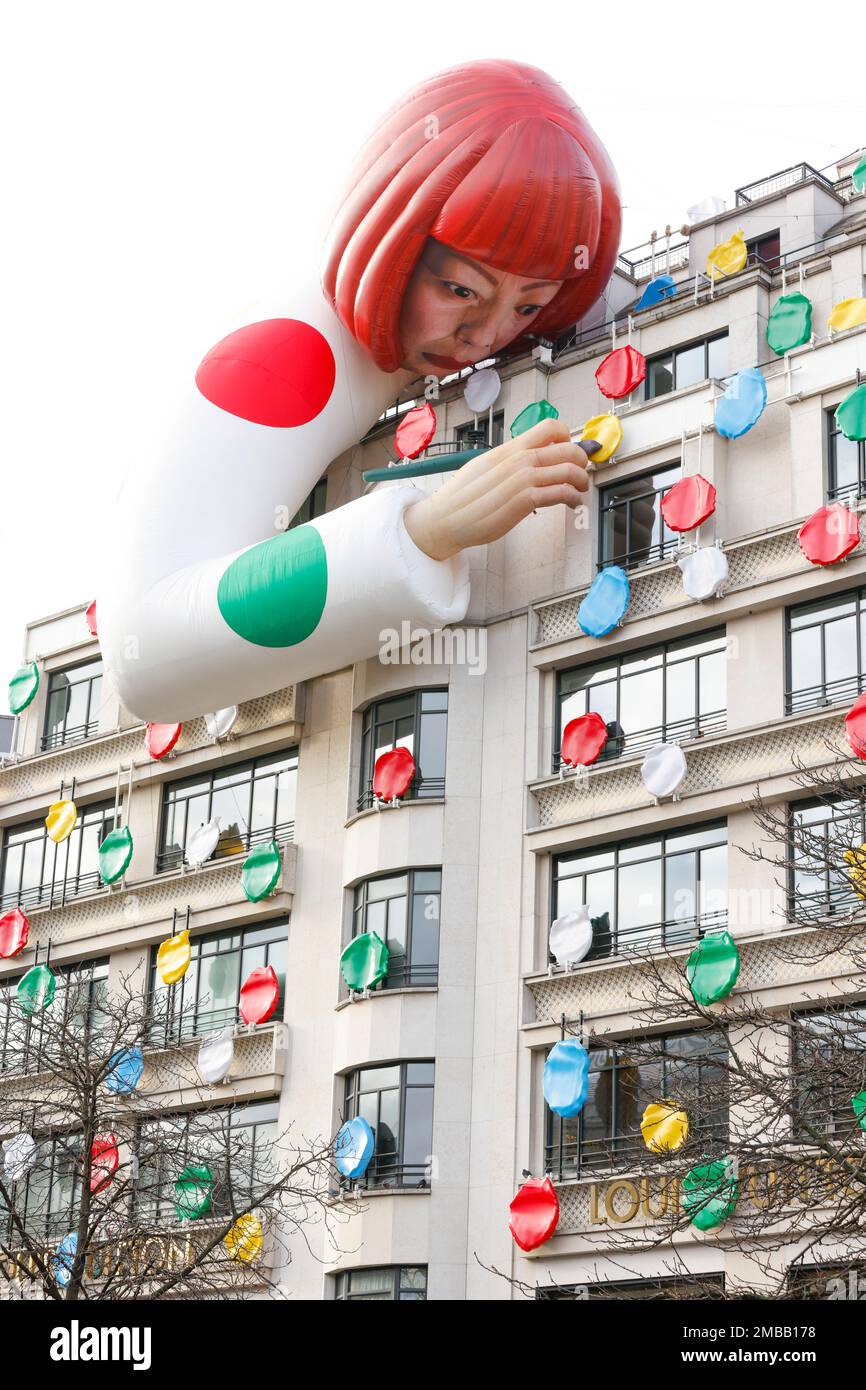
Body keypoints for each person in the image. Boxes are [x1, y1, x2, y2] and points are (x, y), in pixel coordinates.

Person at [97, 60, 621, 722]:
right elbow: (142, 657)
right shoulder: (283, 356)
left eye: (526, 307)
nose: (484, 336)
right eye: (460, 290)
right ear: (394, 245)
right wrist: (422, 529)